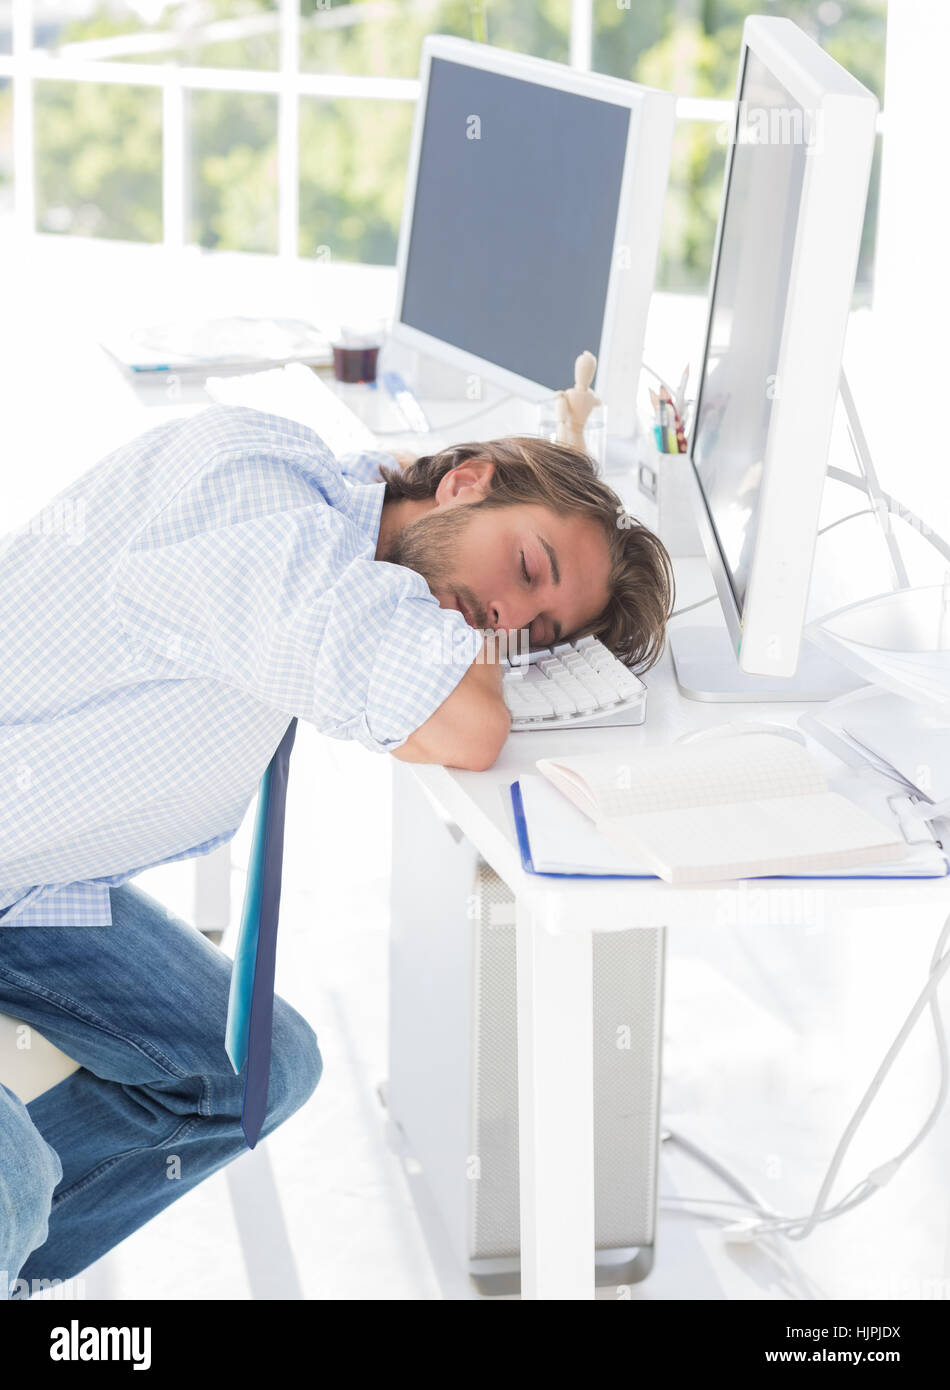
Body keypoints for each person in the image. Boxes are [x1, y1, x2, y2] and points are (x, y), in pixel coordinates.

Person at [0, 405, 673, 1297]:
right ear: (465, 478)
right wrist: (470, 630)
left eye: (538, 632)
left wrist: (485, 553)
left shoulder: (343, 538)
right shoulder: (256, 500)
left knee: (256, 1072)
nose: (506, 618)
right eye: (526, 567)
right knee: (10, 1180)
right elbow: (467, 728)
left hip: (30, 881)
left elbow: (428, 627)